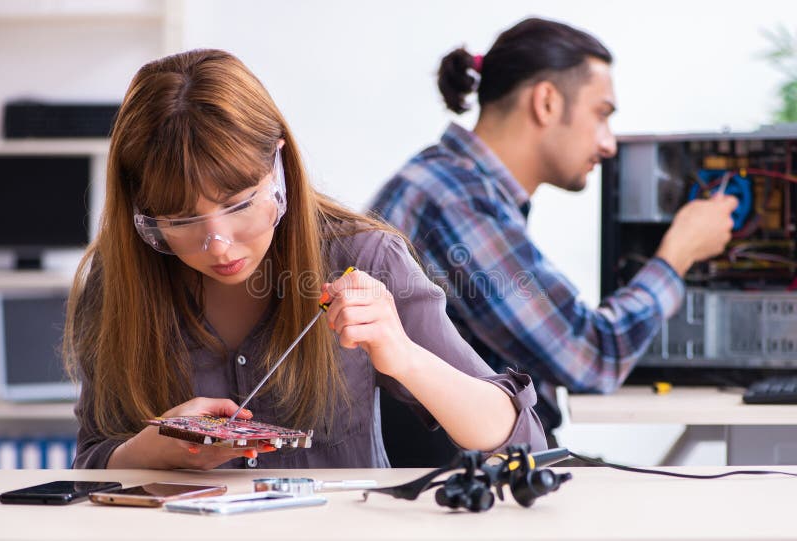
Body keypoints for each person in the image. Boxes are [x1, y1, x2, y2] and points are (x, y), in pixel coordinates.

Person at [63, 49, 546, 470]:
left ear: (277, 165)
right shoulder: (117, 279)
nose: (219, 245)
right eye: (181, 220)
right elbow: (91, 460)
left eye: (239, 204)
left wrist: (406, 356)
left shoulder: (365, 258)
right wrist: (148, 451)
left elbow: (522, 442)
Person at [370, 18, 737, 442]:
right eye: (601, 115)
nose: (609, 144)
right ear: (546, 102)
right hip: (456, 469)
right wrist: (677, 255)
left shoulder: (452, 183)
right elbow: (593, 357)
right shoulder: (454, 200)